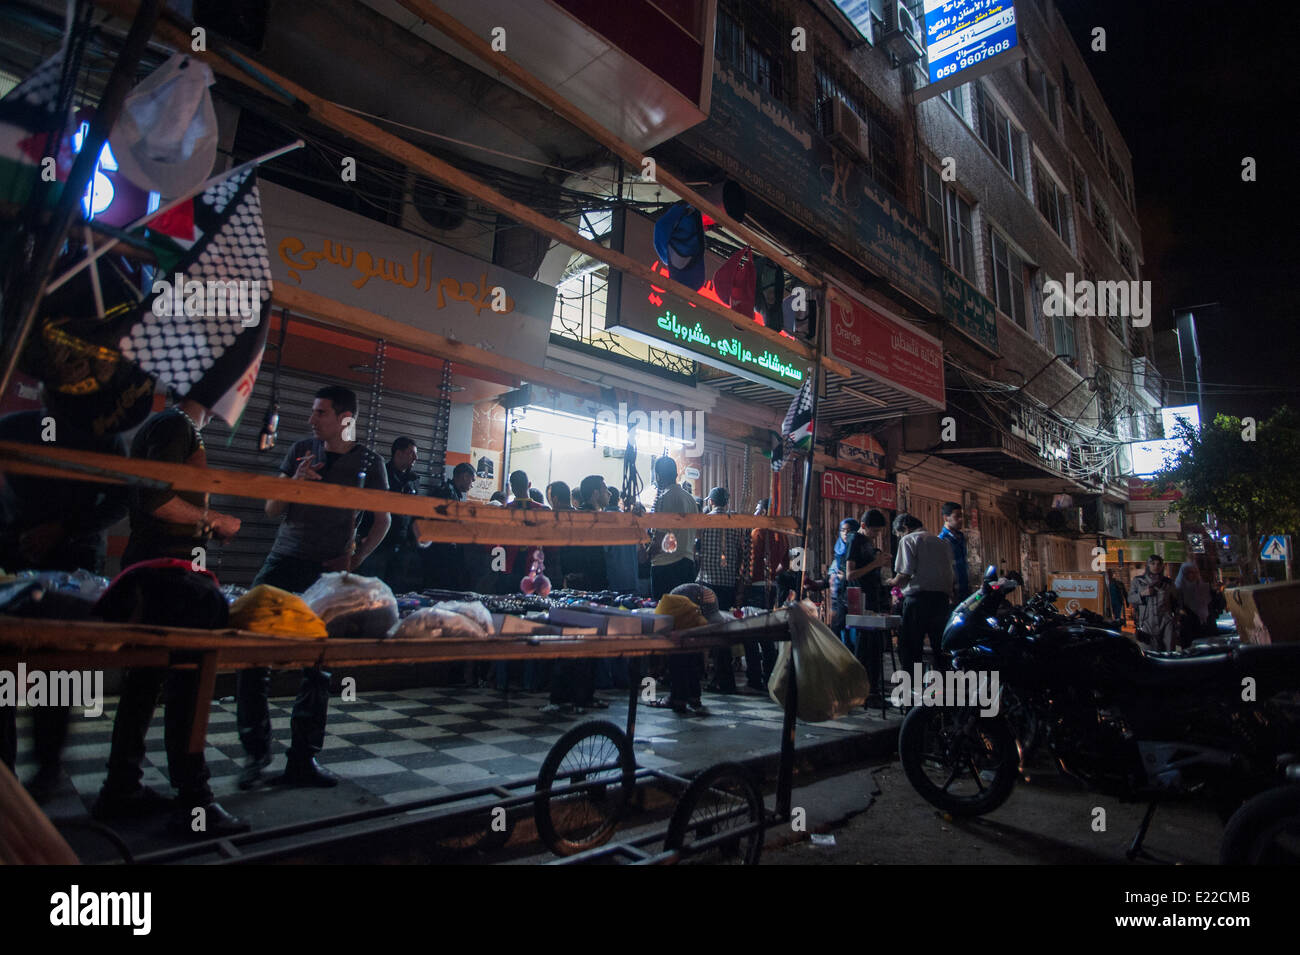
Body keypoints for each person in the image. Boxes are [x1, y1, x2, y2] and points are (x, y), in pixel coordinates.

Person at [93, 396, 248, 836]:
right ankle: (194, 804)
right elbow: (157, 500)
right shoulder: (174, 425)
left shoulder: (174, 426)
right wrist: (213, 518)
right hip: (169, 573)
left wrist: (203, 525)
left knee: (144, 682)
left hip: (163, 568)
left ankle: (121, 788)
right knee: (189, 683)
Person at [237, 385, 389, 789]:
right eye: (312, 411)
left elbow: (383, 521)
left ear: (345, 418)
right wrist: (294, 483)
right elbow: (271, 509)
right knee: (250, 652)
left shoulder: (370, 462)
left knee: (318, 667)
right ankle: (256, 752)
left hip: (327, 572)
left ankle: (302, 760)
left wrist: (353, 561)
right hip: (283, 562)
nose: (310, 419)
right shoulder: (301, 450)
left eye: (320, 412)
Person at [0, 398, 129, 801]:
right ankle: (5, 773)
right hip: (12, 560)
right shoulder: (14, 426)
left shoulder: (106, 441)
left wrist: (65, 529)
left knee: (57, 670)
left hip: (73, 567)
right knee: (3, 665)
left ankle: (48, 766)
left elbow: (120, 500)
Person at [647, 456, 702, 713]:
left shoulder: (666, 497)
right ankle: (693, 692)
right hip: (687, 565)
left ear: (659, 474)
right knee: (688, 629)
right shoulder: (690, 498)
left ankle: (677, 695)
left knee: (670, 631)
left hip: (667, 567)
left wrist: (647, 552)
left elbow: (660, 535)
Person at [884, 512, 954, 679]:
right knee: (940, 649)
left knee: (910, 648)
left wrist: (890, 582)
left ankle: (911, 694)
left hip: (918, 601)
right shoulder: (941, 542)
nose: (900, 537)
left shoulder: (908, 540)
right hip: (942, 601)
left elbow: (904, 575)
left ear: (905, 528)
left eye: (899, 533)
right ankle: (945, 695)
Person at [698, 487, 750, 694]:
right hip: (728, 583)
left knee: (707, 630)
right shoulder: (734, 523)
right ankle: (724, 678)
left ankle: (709, 675)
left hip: (707, 582)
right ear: (727, 502)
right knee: (724, 631)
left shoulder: (703, 521)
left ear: (710, 501)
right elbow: (741, 553)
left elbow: (697, 549)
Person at [356, 436, 421, 591]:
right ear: (398, 453)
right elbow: (365, 507)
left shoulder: (413, 480)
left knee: (395, 589)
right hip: (378, 544)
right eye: (412, 453)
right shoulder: (379, 474)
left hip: (401, 545)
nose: (416, 458)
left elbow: (413, 513)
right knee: (370, 589)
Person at [843, 509, 893, 703]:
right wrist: (875, 563)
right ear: (863, 526)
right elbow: (850, 574)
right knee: (864, 648)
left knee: (874, 648)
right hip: (860, 601)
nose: (876, 535)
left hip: (873, 601)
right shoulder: (854, 540)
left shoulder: (867, 543)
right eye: (874, 532)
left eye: (879, 532)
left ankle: (872, 689)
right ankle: (860, 690)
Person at [1128, 555, 1179, 651]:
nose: (1156, 566)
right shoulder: (1139, 581)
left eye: (1159, 564)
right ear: (1148, 565)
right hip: (1147, 622)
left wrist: (1175, 618)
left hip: (1165, 622)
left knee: (1168, 652)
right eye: (1153, 564)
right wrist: (1143, 594)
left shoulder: (1167, 583)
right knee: (1149, 653)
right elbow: (1130, 598)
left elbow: (1176, 601)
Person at [1174, 561, 1212, 646]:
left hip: (1206, 625)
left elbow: (1212, 604)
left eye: (1195, 572)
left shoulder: (1204, 587)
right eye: (1189, 572)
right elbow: (1176, 606)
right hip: (1188, 626)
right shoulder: (1178, 589)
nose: (1192, 575)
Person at [937, 502, 970, 602]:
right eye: (957, 516)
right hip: (952, 593)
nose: (961, 519)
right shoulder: (941, 540)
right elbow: (942, 568)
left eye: (962, 516)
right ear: (946, 518)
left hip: (965, 590)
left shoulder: (962, 538)